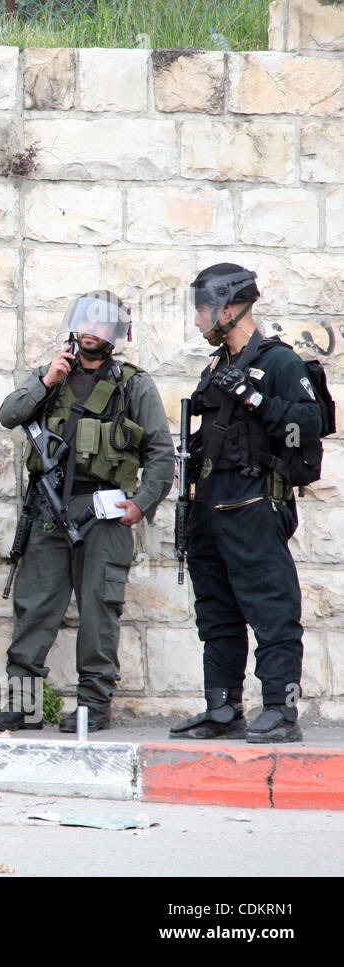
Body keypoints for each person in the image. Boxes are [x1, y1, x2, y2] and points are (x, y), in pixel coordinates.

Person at [0, 291, 174, 733]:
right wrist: (46, 380)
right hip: (50, 506)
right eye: (86, 321)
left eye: (102, 323)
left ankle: (93, 704)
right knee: (34, 605)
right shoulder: (55, 375)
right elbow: (9, 414)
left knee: (99, 607)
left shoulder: (133, 384)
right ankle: (24, 705)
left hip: (104, 511)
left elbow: (161, 453)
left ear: (115, 333)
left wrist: (141, 504)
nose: (91, 330)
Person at [170, 263, 323, 744]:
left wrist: (256, 399)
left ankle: (281, 709)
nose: (198, 321)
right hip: (210, 505)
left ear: (229, 307)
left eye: (203, 310)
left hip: (255, 502)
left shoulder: (279, 363)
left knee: (272, 608)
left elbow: (307, 427)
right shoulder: (217, 367)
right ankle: (222, 708)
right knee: (215, 610)